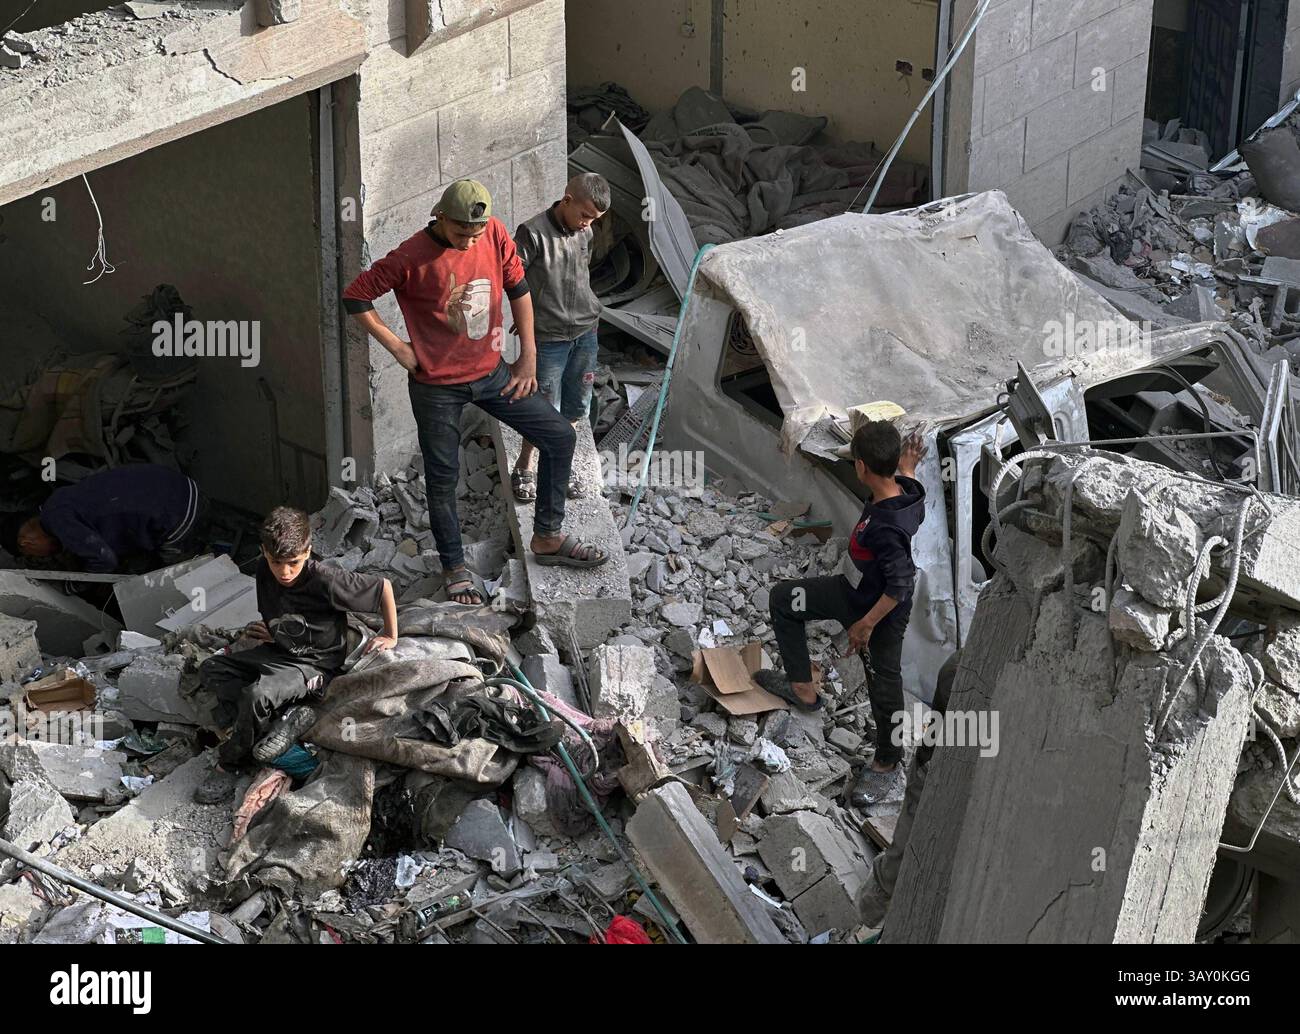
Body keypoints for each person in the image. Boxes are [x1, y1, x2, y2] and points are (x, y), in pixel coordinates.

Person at [341, 179, 608, 607]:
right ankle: (454, 567)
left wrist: (528, 358)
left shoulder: (497, 234)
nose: (469, 241)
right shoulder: (411, 255)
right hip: (436, 387)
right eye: (461, 232)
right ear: (441, 217)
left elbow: (518, 289)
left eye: (475, 233)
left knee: (559, 435)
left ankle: (548, 536)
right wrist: (397, 347)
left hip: (492, 374)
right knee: (442, 479)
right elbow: (356, 296)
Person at [757, 420, 926, 806]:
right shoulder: (905, 491)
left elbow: (900, 584)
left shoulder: (887, 525)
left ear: (862, 467)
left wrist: (865, 625)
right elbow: (908, 486)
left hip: (881, 612)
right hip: (852, 591)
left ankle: (887, 761)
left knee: (884, 682)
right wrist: (909, 469)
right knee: (786, 600)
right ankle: (802, 688)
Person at [194, 506, 398, 802]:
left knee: (257, 696)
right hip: (281, 651)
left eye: (294, 562)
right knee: (211, 669)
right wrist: (275, 630)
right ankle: (280, 723)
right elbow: (281, 606)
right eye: (277, 562)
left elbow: (384, 588)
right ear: (264, 553)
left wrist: (390, 634)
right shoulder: (264, 570)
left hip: (315, 665)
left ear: (308, 551)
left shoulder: (326, 579)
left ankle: (231, 763)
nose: (285, 572)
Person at [509, 173, 610, 503]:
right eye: (584, 215)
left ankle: (560, 468)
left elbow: (583, 274)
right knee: (541, 407)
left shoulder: (586, 233)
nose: (586, 224)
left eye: (593, 219)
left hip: (585, 332)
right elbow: (512, 278)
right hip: (549, 337)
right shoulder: (532, 232)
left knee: (576, 406)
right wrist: (524, 321)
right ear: (566, 200)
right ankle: (526, 466)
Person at [14, 463, 205, 573]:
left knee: (168, 579)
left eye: (35, 556)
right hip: (182, 485)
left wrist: (73, 585)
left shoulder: (57, 521)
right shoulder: (56, 500)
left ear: (27, 543)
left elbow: (105, 560)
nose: (49, 556)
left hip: (179, 517)